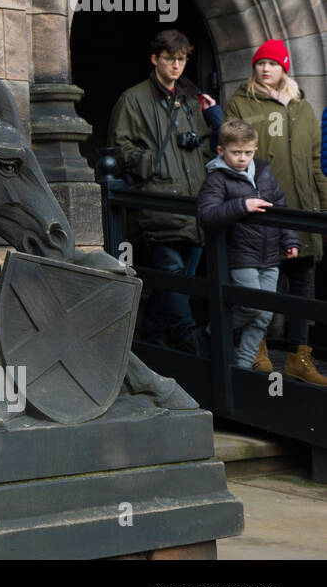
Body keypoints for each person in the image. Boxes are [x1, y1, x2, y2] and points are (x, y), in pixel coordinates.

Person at [108, 29, 223, 353]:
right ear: (155, 59)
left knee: (178, 282)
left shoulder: (189, 99)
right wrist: (152, 162)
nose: (176, 65)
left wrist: (212, 117)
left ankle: (152, 340)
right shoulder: (134, 99)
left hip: (193, 201)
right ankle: (192, 343)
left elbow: (207, 148)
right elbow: (118, 149)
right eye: (170, 58)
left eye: (182, 59)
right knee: (173, 274)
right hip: (158, 202)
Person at [224, 40, 327, 385]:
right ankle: (258, 349)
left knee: (301, 285)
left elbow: (315, 164)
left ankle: (300, 357)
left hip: (302, 210)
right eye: (260, 63)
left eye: (273, 63)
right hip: (263, 212)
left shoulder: (303, 108)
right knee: (263, 286)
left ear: (285, 68)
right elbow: (233, 157)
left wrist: (323, 209)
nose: (266, 69)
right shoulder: (241, 102)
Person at [196, 120, 299, 369]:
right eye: (236, 152)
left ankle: (243, 364)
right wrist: (244, 205)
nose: (242, 158)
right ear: (221, 151)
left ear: (255, 149)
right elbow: (207, 215)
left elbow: (280, 206)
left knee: (265, 313)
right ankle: (211, 332)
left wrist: (290, 239)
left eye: (248, 152)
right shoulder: (217, 178)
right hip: (240, 254)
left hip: (270, 254)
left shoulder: (263, 171)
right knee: (252, 307)